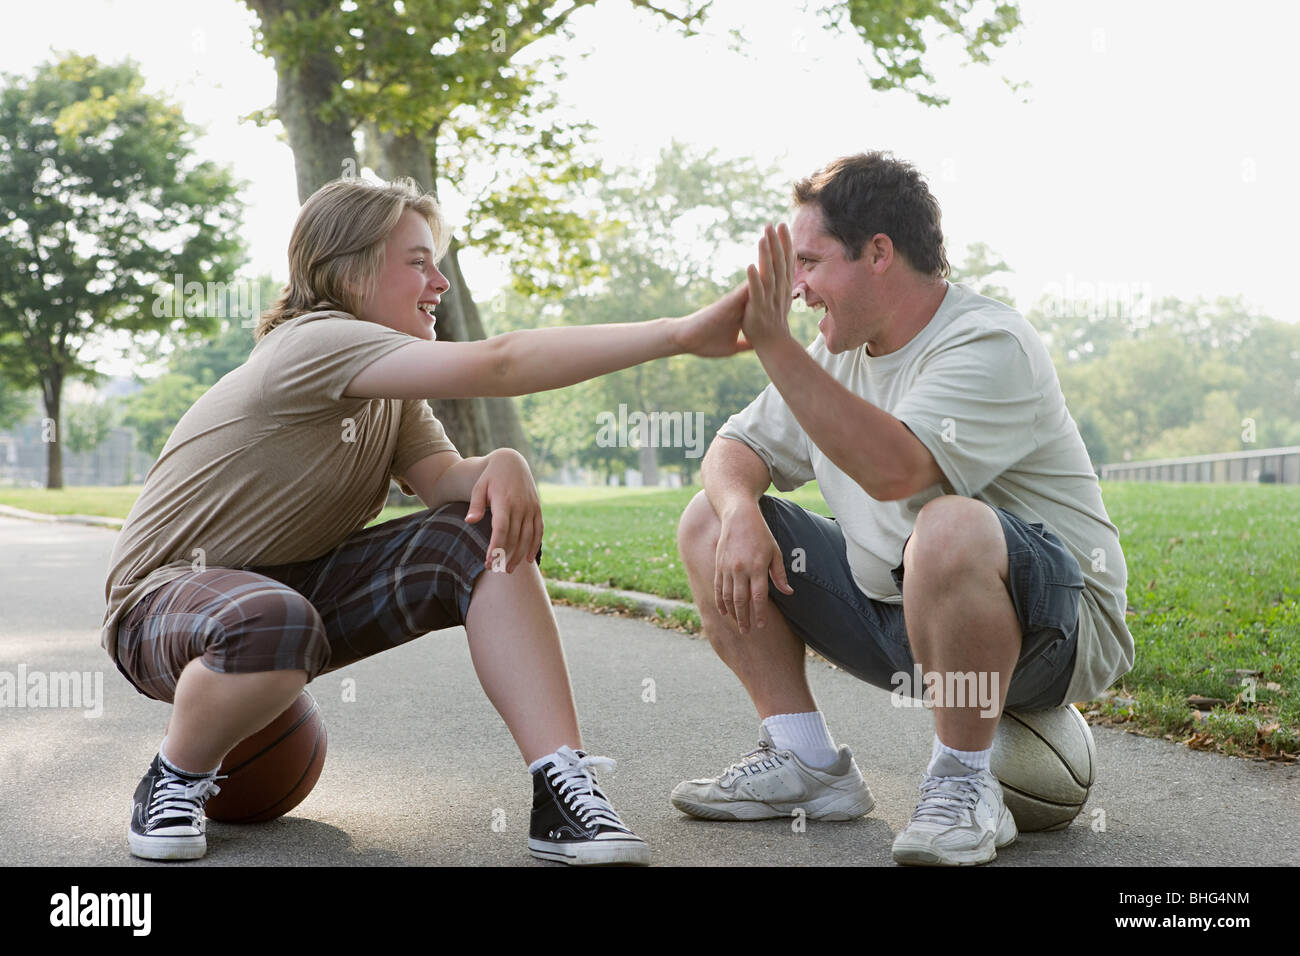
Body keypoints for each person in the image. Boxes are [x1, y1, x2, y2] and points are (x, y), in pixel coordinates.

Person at [101, 176, 750, 866]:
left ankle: (561, 788)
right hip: (163, 604)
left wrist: (501, 464)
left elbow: (442, 481)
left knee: (476, 531)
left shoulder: (390, 390)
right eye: (417, 262)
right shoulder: (313, 343)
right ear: (346, 270)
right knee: (273, 619)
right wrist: (681, 334)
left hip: (288, 593)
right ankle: (173, 779)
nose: (438, 281)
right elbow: (499, 362)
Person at [672, 152, 1134, 865]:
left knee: (946, 524)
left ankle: (963, 784)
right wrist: (739, 511)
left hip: (1052, 631)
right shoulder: (836, 353)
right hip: (897, 615)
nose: (796, 291)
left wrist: (774, 348)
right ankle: (805, 764)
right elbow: (734, 449)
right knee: (709, 517)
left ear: (879, 252)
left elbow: (895, 469)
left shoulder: (989, 341)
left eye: (811, 264)